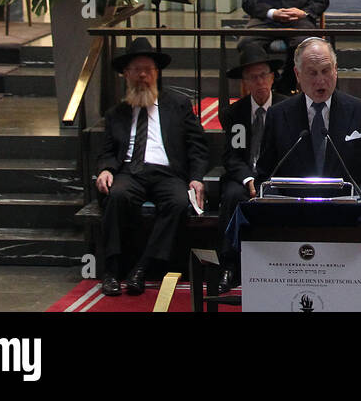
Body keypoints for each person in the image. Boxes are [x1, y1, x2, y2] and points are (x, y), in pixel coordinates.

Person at [95, 38, 209, 297]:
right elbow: (108, 151)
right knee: (115, 196)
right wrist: (105, 169)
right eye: (136, 70)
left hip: (168, 173)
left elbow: (197, 146)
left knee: (179, 203)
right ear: (126, 75)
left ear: (157, 73)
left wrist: (196, 178)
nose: (143, 75)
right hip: (129, 172)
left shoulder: (178, 105)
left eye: (148, 69)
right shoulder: (117, 113)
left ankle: (141, 269)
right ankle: (111, 270)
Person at [253, 38, 361, 201]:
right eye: (312, 73)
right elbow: (265, 175)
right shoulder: (278, 115)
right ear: (298, 74)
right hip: (294, 217)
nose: (320, 80)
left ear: (336, 69)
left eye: (326, 71)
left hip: (348, 217)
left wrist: (358, 202)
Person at [215, 42, 287, 294]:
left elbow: (289, 151)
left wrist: (266, 180)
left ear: (272, 77)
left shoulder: (285, 109)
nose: (259, 83)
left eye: (263, 76)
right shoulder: (235, 113)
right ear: (245, 82)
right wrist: (248, 180)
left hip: (275, 174)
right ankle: (229, 265)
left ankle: (280, 266)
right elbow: (232, 157)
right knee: (233, 196)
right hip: (244, 176)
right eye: (253, 78)